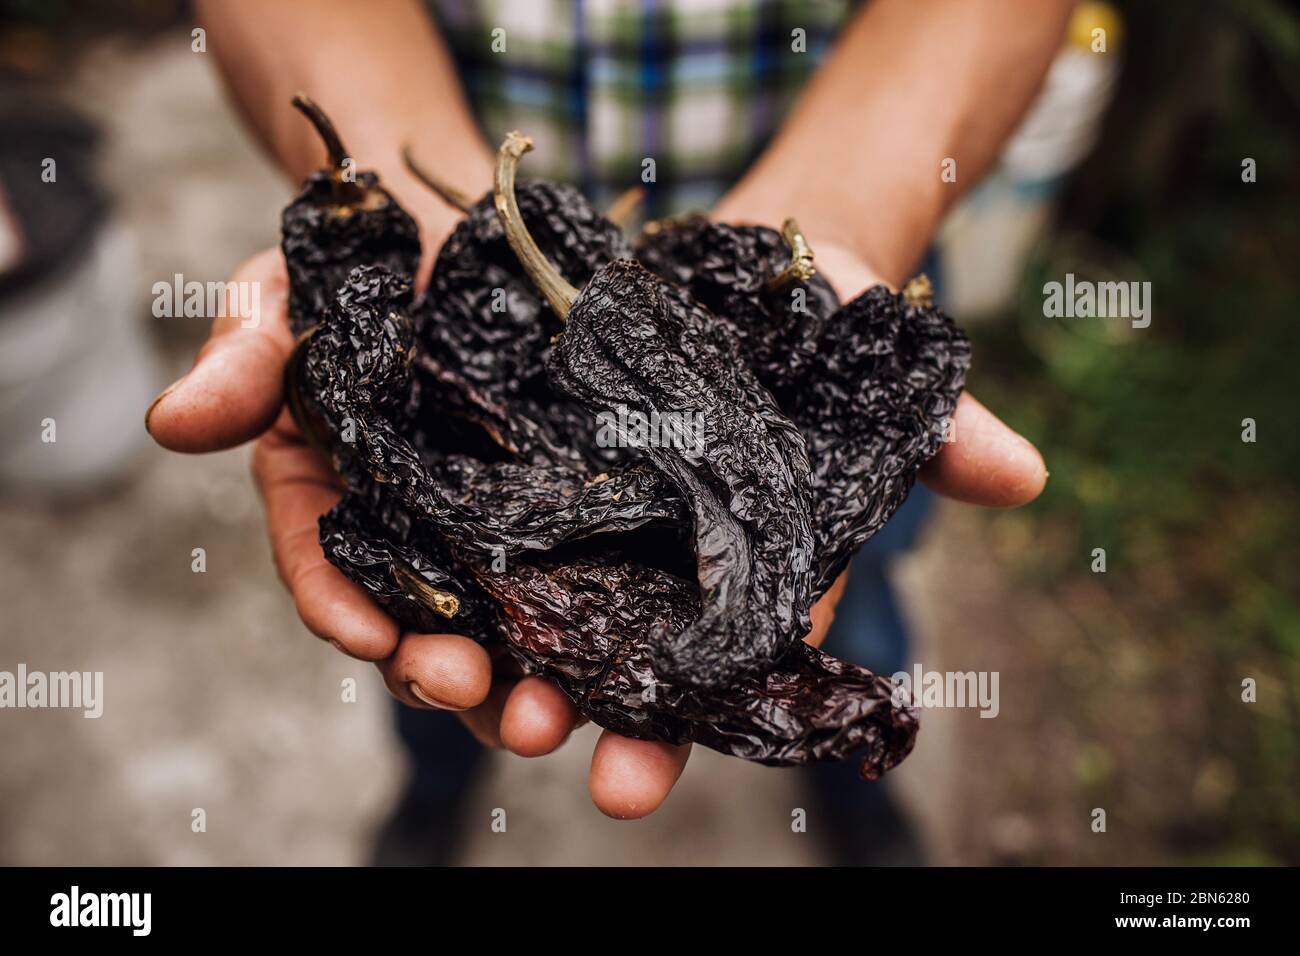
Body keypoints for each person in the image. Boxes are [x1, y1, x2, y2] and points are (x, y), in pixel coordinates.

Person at [148, 0, 1065, 861]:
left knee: (846, 601)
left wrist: (860, 208)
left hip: (818, 206)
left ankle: (854, 796)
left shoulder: (682, 335)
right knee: (439, 639)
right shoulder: (467, 320)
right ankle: (434, 795)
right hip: (477, 198)